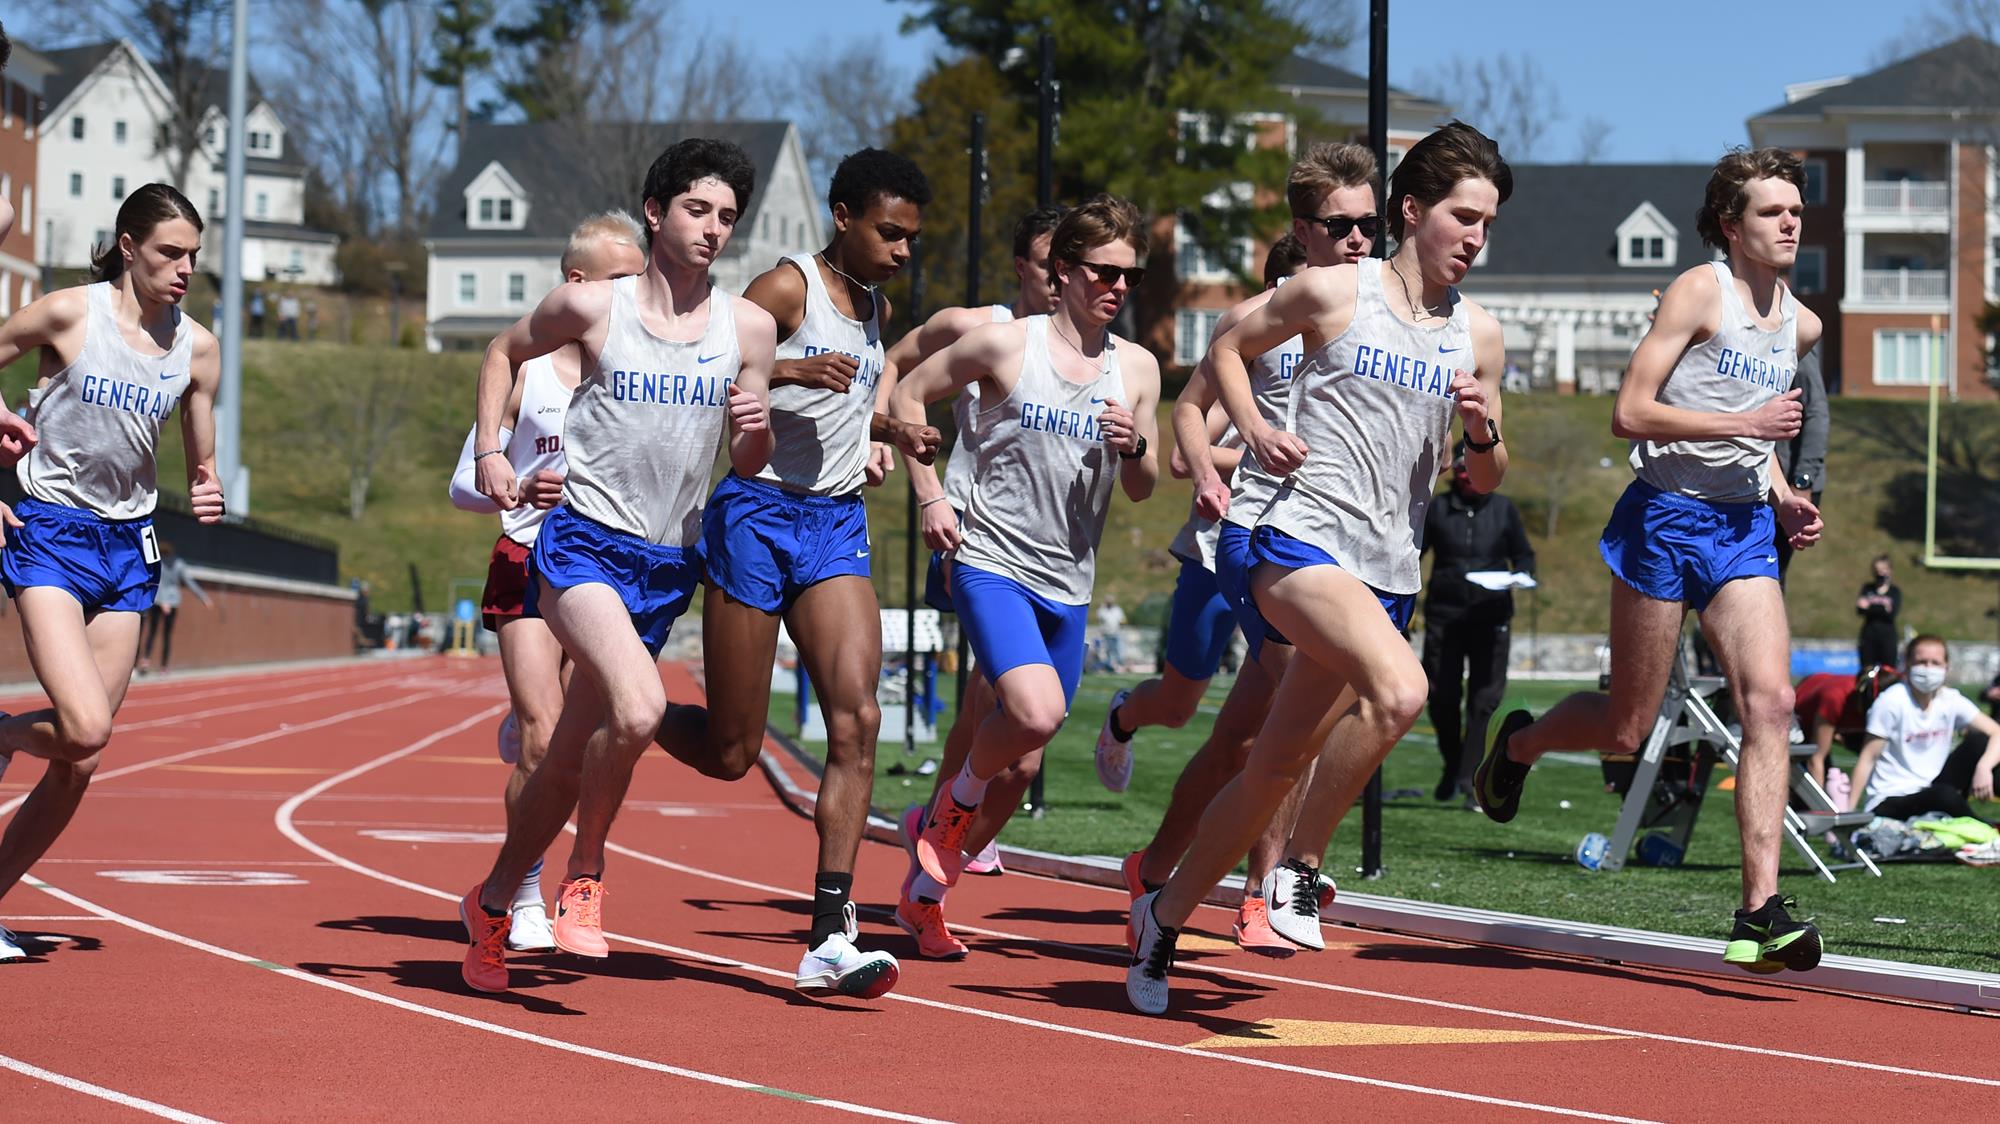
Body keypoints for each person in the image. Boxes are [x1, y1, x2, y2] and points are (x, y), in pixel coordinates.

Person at [1127, 123, 1510, 1014]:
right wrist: (1253, 432)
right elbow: (1224, 344)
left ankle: (1161, 917)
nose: (1477, 237)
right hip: (1294, 539)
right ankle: (1301, 869)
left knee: (1269, 767)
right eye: (1463, 216)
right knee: (1403, 690)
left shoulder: (1478, 335)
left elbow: (1483, 480)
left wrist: (1484, 429)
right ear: (1412, 212)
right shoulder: (1334, 291)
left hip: (1386, 569)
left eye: (1489, 223)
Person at [1473, 146, 1826, 977]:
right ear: (1730, 225)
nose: (1789, 222)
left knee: (1770, 703)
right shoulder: (1701, 291)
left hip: (1740, 528)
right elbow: (1629, 412)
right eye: (1772, 211)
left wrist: (1781, 493)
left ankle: (1758, 912)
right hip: (1664, 517)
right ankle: (1517, 748)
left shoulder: (1802, 323)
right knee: (1629, 729)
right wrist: (1749, 432)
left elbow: (1760, 432)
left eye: (1797, 211)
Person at [457, 138, 776, 994]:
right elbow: (500, 352)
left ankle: (491, 903)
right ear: (656, 211)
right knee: (638, 711)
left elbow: (749, 462)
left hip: (666, 560)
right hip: (583, 543)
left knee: (568, 756)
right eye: (697, 210)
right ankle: (585, 879)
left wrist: (754, 427)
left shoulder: (747, 326)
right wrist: (491, 453)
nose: (713, 230)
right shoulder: (596, 306)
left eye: (727, 218)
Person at [647, 147, 939, 997]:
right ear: (843, 217)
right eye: (890, 233)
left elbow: (841, 406)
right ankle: (622, 703)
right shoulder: (786, 289)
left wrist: (893, 433)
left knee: (857, 722)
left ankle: (830, 934)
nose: (902, 251)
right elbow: (699, 366)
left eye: (912, 238)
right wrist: (789, 367)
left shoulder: (875, 305)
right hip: (757, 515)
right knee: (733, 751)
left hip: (836, 522)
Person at [1122, 143, 1382, 957]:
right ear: (1304, 230)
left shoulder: (1387, 316)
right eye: (1342, 226)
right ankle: (1266, 887)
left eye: (1370, 225)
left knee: (1247, 736)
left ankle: (1160, 867)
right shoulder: (1252, 320)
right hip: (1258, 535)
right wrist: (1220, 463)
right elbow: (1189, 415)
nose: (1359, 240)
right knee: (1279, 707)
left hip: (1347, 540)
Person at [895, 194, 1161, 957]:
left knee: (1027, 760)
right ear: (1067, 272)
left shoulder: (1134, 368)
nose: (1117, 288)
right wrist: (932, 495)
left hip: (1068, 583)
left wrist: (1134, 448)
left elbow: (1140, 489)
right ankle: (950, 811)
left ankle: (925, 893)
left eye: (1131, 277)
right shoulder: (1006, 345)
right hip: (989, 562)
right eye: (1105, 272)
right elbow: (911, 390)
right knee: (1035, 712)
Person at [0, 183, 227, 962]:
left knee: (82, 758)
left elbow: (201, 450)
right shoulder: (70, 313)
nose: (184, 268)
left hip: (129, 549)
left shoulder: (196, 346)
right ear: (127, 247)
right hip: (52, 535)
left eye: (194, 254)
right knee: (85, 725)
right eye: (170, 252)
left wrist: (208, 481)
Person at [448, 211, 647, 952]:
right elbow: (465, 485)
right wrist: (517, 485)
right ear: (578, 283)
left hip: (597, 563)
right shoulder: (529, 370)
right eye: (624, 280)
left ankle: (570, 870)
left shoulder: (632, 372)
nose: (637, 293)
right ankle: (525, 892)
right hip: (527, 558)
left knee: (582, 732)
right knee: (539, 735)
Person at [885, 205, 1066, 883]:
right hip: (974, 535)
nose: (1063, 278)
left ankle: (936, 816)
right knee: (999, 696)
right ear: (1023, 266)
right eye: (1052, 265)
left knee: (985, 695)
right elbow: (897, 362)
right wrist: (885, 441)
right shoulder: (975, 327)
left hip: (1049, 551)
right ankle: (948, 823)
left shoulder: (1088, 350)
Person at [1420, 446, 1533, 805]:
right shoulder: (1438, 508)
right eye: (1462, 470)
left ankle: (1470, 778)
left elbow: (1524, 555)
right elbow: (1415, 553)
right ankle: (1452, 767)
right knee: (1441, 698)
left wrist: (1523, 576)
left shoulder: (1503, 510)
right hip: (1446, 617)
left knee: (1484, 701)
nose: (1467, 477)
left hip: (1491, 616)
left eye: (1473, 470)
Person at [1849, 635, 2000, 820]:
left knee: (1980, 743)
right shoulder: (1891, 701)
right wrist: (1850, 814)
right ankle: (1986, 829)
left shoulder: (1949, 699)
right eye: (1921, 662)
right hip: (1892, 798)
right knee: (1944, 796)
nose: (1928, 669)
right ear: (1907, 664)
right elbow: (1868, 757)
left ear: (1946, 667)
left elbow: (1996, 732)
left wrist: (1984, 767)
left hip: (1932, 788)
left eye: (1935, 663)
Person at [1773, 349, 1825, 583]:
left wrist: (1802, 480)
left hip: (1789, 484)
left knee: (1770, 576)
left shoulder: (1793, 341)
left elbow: (1817, 414)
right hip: (1751, 483)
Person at [138, 540, 212, 673]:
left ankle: (147, 660)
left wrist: (162, 601)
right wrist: (204, 598)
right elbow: (190, 583)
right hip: (168, 601)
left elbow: (156, 582)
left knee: (153, 632)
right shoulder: (178, 564)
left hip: (159, 600)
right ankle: (161, 665)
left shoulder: (162, 563)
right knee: (165, 634)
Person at [1856, 555, 1901, 668]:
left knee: (1888, 670)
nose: (1880, 573)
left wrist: (1870, 607)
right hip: (1869, 635)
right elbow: (1860, 610)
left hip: (1887, 637)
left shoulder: (1894, 591)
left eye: (1883, 570)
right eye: (1877, 570)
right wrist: (1882, 608)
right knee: (1867, 669)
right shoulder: (1867, 588)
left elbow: (1891, 614)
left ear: (1889, 571)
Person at [1094, 595, 1128, 673]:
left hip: (1116, 633)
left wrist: (1122, 626)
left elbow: (1122, 620)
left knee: (1118, 650)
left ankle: (1119, 666)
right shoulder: (1102, 611)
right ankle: (1109, 667)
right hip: (1106, 634)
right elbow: (1100, 621)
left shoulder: (1118, 610)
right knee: (1108, 651)